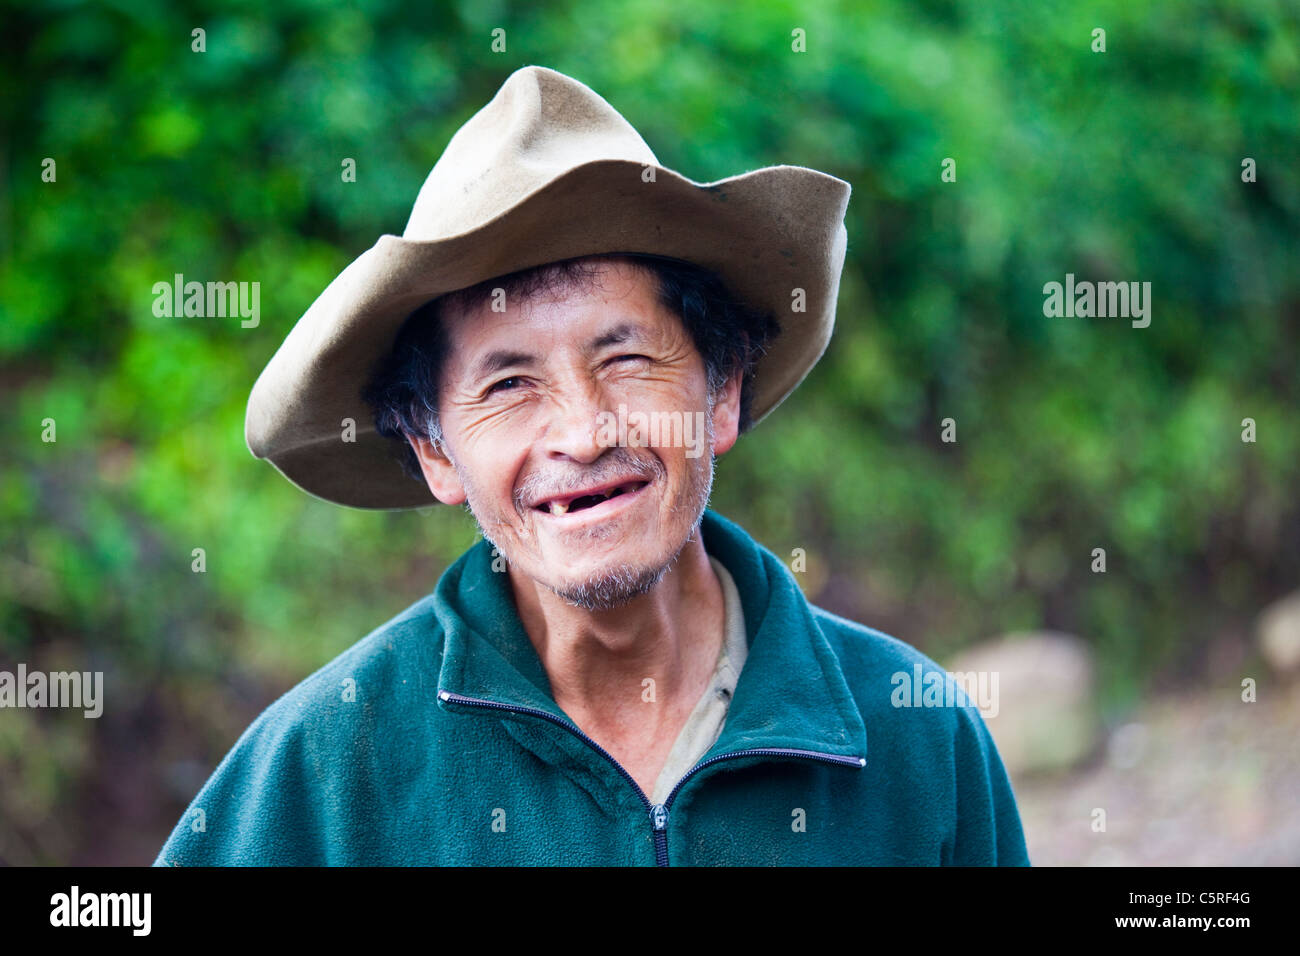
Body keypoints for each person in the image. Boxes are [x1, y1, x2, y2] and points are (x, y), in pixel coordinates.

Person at [155, 65, 1029, 866]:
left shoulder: (915, 739)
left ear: (721, 392)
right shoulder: (326, 774)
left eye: (626, 359)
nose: (583, 433)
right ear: (434, 450)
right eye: (508, 383)